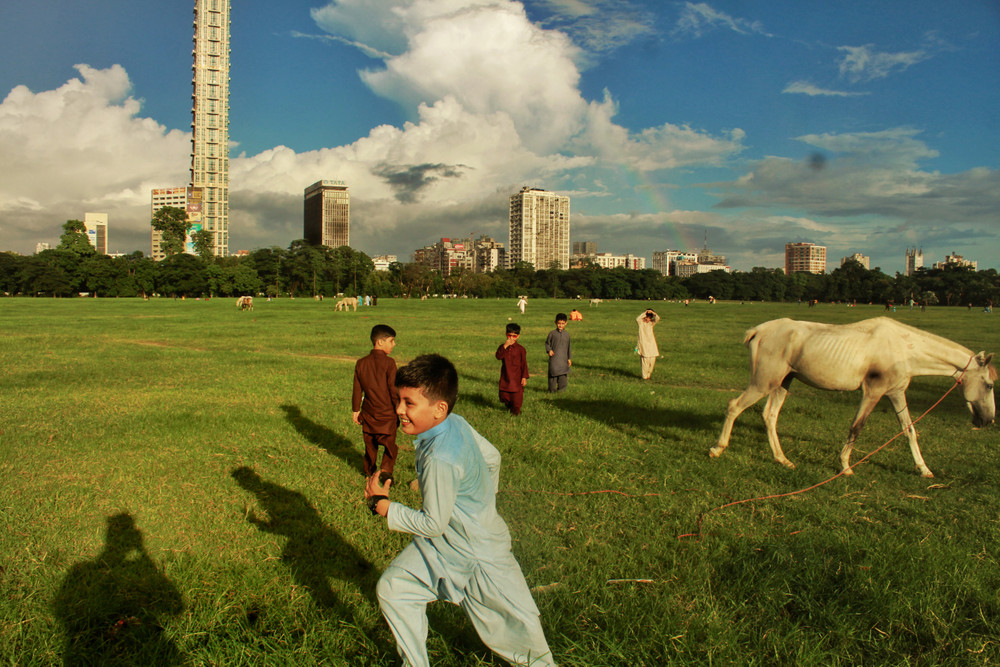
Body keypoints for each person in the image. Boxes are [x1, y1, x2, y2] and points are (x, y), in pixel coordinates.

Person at [365, 354, 556, 667]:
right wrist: (479, 504)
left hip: (479, 556)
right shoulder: (455, 422)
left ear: (439, 408)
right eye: (398, 400)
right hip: (447, 545)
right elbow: (492, 457)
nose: (399, 410)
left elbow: (432, 524)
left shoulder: (440, 457)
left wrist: (382, 506)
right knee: (394, 588)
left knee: (522, 642)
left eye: (408, 403)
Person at [352, 324, 400, 476]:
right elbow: (394, 390)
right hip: (387, 415)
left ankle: (369, 472)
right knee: (390, 447)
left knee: (370, 447)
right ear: (380, 342)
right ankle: (386, 471)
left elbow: (357, 389)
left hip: (369, 414)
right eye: (391, 341)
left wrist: (355, 410)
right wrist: (399, 409)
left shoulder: (361, 363)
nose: (394, 344)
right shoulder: (389, 363)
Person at [496, 323, 529, 415]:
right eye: (509, 335)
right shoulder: (503, 347)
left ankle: (516, 412)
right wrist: (505, 346)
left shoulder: (521, 349)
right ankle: (509, 407)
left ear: (518, 336)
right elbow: (498, 356)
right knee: (504, 395)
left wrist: (524, 377)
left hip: (517, 377)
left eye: (514, 336)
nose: (511, 338)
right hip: (506, 376)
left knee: (516, 398)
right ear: (506, 334)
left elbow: (524, 364)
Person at [545, 313, 571, 393]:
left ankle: (561, 391)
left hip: (563, 359)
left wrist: (569, 358)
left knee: (563, 375)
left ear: (566, 323)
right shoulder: (552, 333)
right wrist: (549, 350)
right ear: (555, 322)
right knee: (553, 374)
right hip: (554, 359)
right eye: (559, 323)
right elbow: (547, 343)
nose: (560, 325)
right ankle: (552, 390)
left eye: (563, 324)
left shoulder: (567, 335)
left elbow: (569, 347)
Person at [635, 309, 661, 380]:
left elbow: (657, 319)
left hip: (652, 344)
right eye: (646, 317)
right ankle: (644, 376)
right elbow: (637, 319)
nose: (647, 319)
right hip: (644, 344)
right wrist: (645, 312)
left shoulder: (651, 323)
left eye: (649, 318)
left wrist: (653, 313)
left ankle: (648, 375)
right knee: (645, 361)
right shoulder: (641, 323)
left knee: (652, 360)